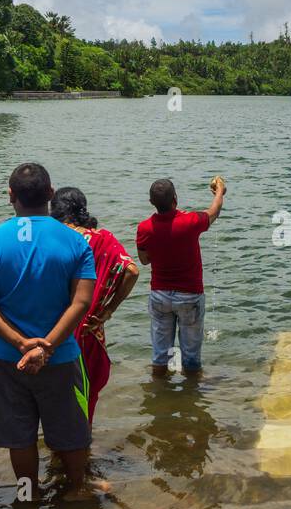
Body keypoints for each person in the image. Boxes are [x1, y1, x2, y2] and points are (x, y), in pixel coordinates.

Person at [0, 163, 97, 498]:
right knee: (71, 430)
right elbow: (81, 303)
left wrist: (21, 343)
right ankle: (76, 490)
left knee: (20, 436)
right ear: (50, 194)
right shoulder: (76, 242)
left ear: (10, 195)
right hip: (62, 355)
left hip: (8, 358)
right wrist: (47, 346)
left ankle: (29, 493)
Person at [50, 186, 139, 424]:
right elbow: (131, 271)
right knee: (85, 396)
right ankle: (81, 448)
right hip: (89, 329)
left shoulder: (51, 236)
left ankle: (58, 450)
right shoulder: (102, 238)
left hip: (52, 330)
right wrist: (107, 310)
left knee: (53, 397)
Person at [135, 177, 224, 377]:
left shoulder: (145, 228)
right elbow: (214, 212)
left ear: (151, 203)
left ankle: (159, 397)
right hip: (190, 296)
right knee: (191, 358)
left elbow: (144, 260)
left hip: (160, 296)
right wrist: (219, 192)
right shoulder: (190, 221)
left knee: (159, 357)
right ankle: (190, 399)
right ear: (175, 198)